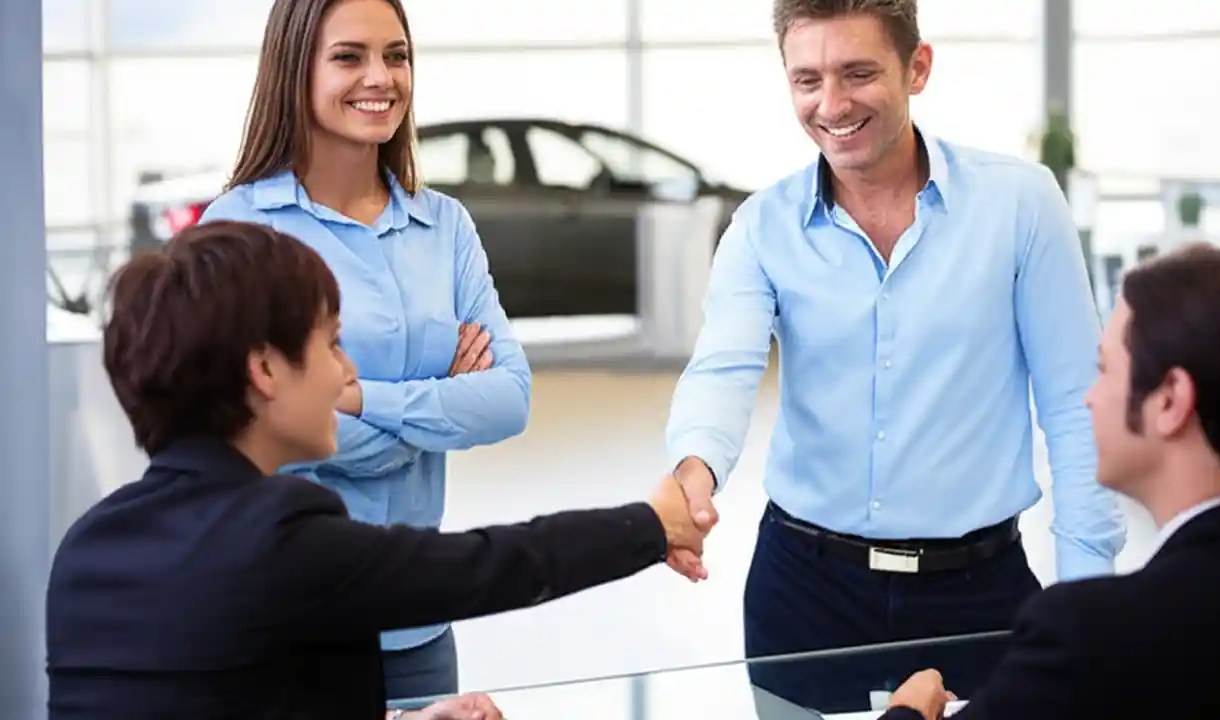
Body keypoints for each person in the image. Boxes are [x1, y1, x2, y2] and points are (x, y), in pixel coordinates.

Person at [44, 221, 711, 720]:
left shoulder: (87, 550)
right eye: (331, 343)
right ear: (265, 369)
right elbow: (491, 565)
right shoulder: (279, 539)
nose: (347, 371)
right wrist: (653, 525)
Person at [662, 0, 1125, 711]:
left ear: (918, 67)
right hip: (804, 588)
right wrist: (694, 469)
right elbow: (723, 368)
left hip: (979, 589)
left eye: (857, 73)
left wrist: (1086, 591)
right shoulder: (762, 226)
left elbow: (1074, 403)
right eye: (806, 80)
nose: (831, 104)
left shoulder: (1020, 205)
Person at [197, 0, 530, 700]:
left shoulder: (444, 225)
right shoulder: (239, 231)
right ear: (296, 70)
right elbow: (248, 444)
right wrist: (431, 409)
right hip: (290, 625)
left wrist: (355, 401)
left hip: (418, 623)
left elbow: (508, 400)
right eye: (349, 56)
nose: (380, 77)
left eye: (396, 55)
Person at [879, 244, 1220, 719]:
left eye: (1105, 369)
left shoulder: (1095, 637)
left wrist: (907, 711)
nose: (1089, 398)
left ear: (1170, 400)